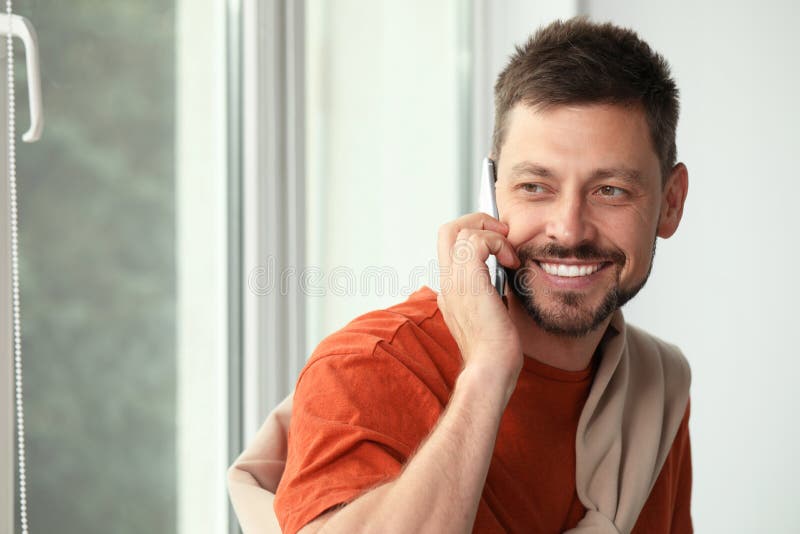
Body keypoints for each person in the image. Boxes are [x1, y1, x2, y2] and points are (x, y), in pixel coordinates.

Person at [228, 16, 692, 534]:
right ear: (489, 193)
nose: (568, 229)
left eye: (611, 190)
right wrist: (488, 372)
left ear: (670, 204)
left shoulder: (655, 389)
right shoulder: (367, 368)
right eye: (535, 186)